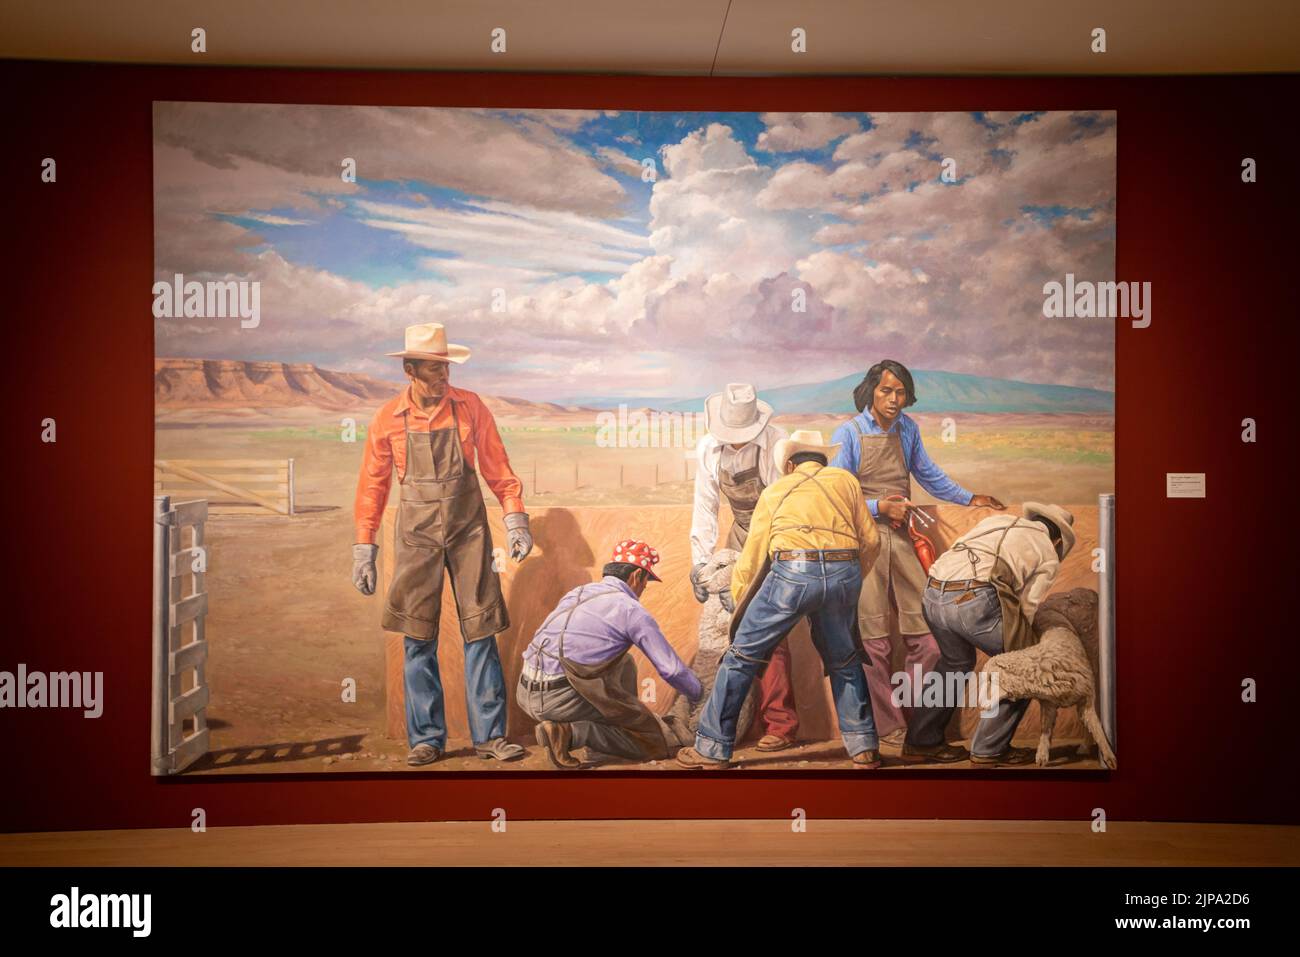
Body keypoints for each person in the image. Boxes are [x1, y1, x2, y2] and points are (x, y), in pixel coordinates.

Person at [351, 322, 533, 766]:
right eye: (433, 368)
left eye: (445, 367)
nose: (442, 376)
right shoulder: (387, 420)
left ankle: (490, 737)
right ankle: (426, 739)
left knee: (481, 629)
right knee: (417, 636)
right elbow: (372, 488)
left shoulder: (471, 408)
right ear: (410, 370)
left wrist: (515, 521)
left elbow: (497, 466)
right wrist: (364, 548)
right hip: (416, 538)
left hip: (470, 532)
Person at [677, 431, 882, 770]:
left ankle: (712, 748)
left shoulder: (775, 492)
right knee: (844, 659)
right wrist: (847, 581)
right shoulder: (846, 481)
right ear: (822, 460)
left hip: (793, 572)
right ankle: (863, 748)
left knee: (741, 656)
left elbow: (754, 557)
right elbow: (870, 540)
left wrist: (741, 604)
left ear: (789, 464)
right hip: (845, 569)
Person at [830, 359, 1004, 753]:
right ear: (871, 391)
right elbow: (839, 492)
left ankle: (917, 720)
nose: (894, 400)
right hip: (864, 542)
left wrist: (968, 498)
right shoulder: (850, 432)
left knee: (926, 636)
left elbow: (927, 472)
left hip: (903, 538)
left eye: (900, 392)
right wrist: (878, 508)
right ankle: (885, 724)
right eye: (886, 391)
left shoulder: (908, 429)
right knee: (872, 641)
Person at [905, 503, 1076, 765]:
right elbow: (1027, 606)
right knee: (1027, 666)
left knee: (955, 663)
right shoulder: (1048, 553)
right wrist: (1025, 642)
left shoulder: (994, 522)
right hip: (972, 600)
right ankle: (989, 748)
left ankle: (922, 741)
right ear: (1056, 539)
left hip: (932, 594)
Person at [518, 540, 701, 769]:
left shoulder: (578, 592)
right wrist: (699, 694)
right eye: (646, 581)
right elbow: (671, 669)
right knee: (652, 742)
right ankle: (569, 733)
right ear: (636, 577)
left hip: (525, 693)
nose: (644, 588)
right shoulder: (630, 610)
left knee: (625, 662)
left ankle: (601, 735)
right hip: (559, 699)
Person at [689, 383, 800, 752]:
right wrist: (701, 563)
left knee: (771, 631)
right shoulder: (709, 449)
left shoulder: (776, 443)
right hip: (739, 537)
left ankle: (781, 724)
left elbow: (785, 504)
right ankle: (737, 722)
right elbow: (705, 509)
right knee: (734, 632)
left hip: (777, 537)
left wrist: (775, 558)